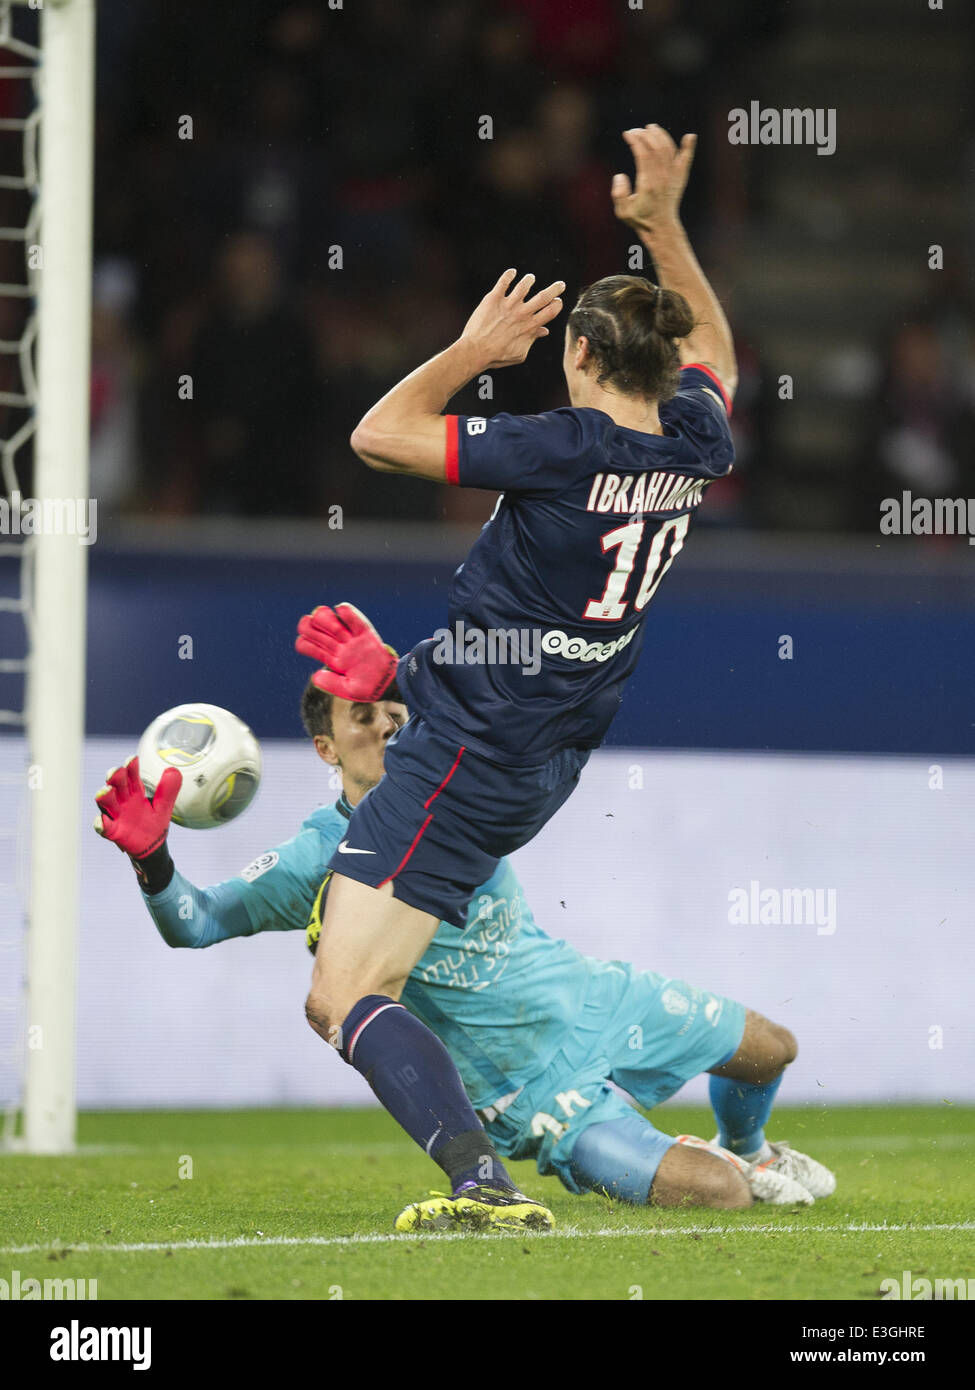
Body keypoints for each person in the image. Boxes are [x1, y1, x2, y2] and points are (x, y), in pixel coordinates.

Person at [292, 124, 743, 1229]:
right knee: (357, 983)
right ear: (664, 367)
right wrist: (663, 227)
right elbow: (721, 358)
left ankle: (484, 1179)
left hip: (465, 758)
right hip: (536, 755)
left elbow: (379, 435)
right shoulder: (695, 446)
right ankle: (487, 1167)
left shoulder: (558, 449)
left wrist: (471, 350)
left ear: (580, 356)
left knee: (342, 992)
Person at [94, 672, 836, 1230]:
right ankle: (716, 1165)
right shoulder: (315, 859)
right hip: (535, 1095)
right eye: (362, 716)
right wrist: (153, 862)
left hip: (598, 1000)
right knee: (717, 1194)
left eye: (394, 709)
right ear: (324, 746)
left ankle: (755, 1149)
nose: (386, 724)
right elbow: (197, 921)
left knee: (772, 1048)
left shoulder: (456, 784)